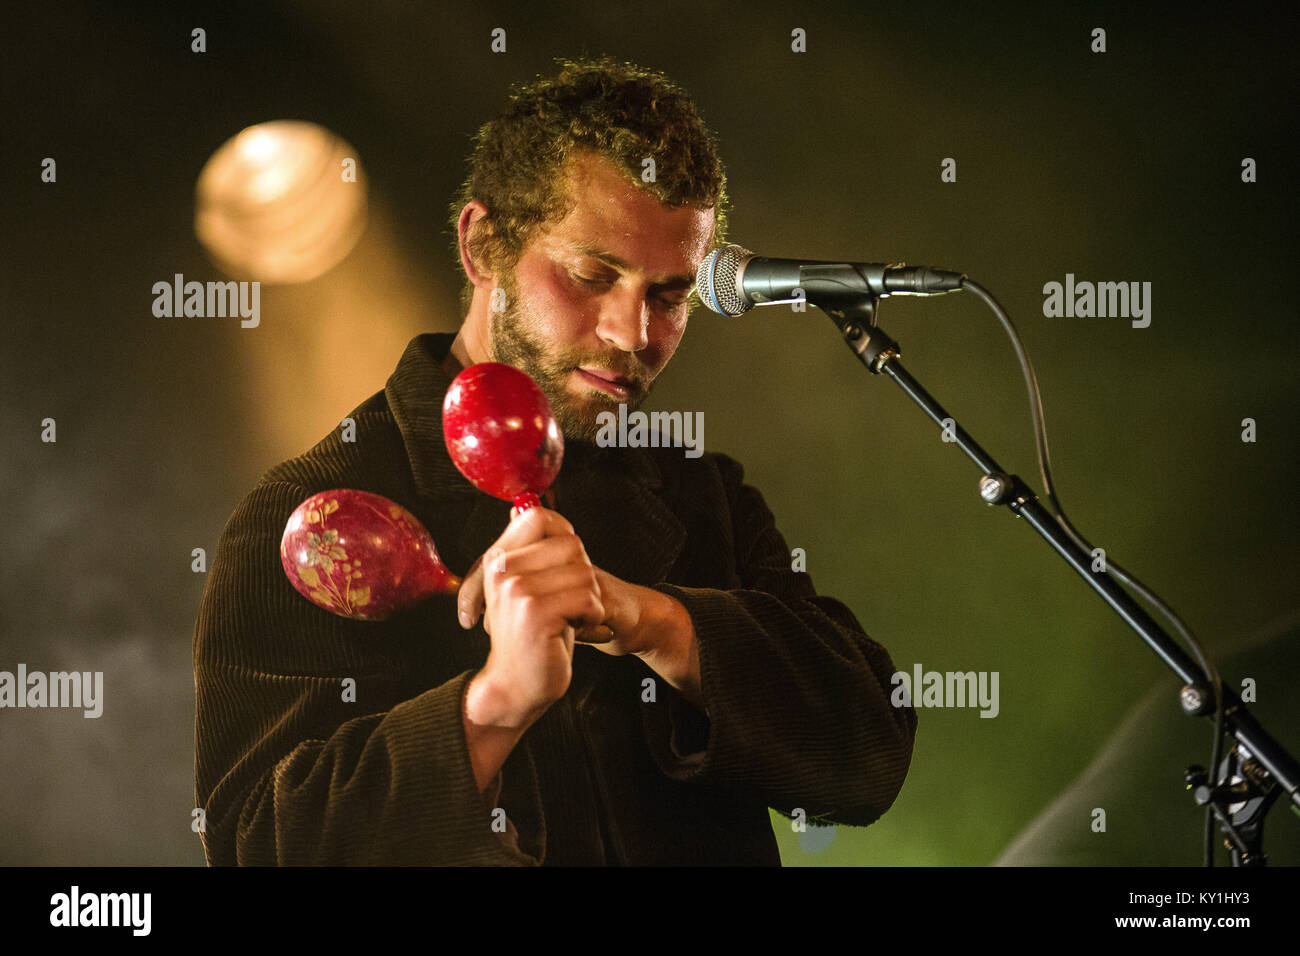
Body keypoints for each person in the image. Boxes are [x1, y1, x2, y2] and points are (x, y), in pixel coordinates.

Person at [193, 55, 917, 866]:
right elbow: (263, 847)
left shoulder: (700, 493)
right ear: (483, 246)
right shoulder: (306, 513)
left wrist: (653, 620)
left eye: (670, 295)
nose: (631, 333)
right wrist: (491, 709)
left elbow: (871, 754)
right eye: (591, 274)